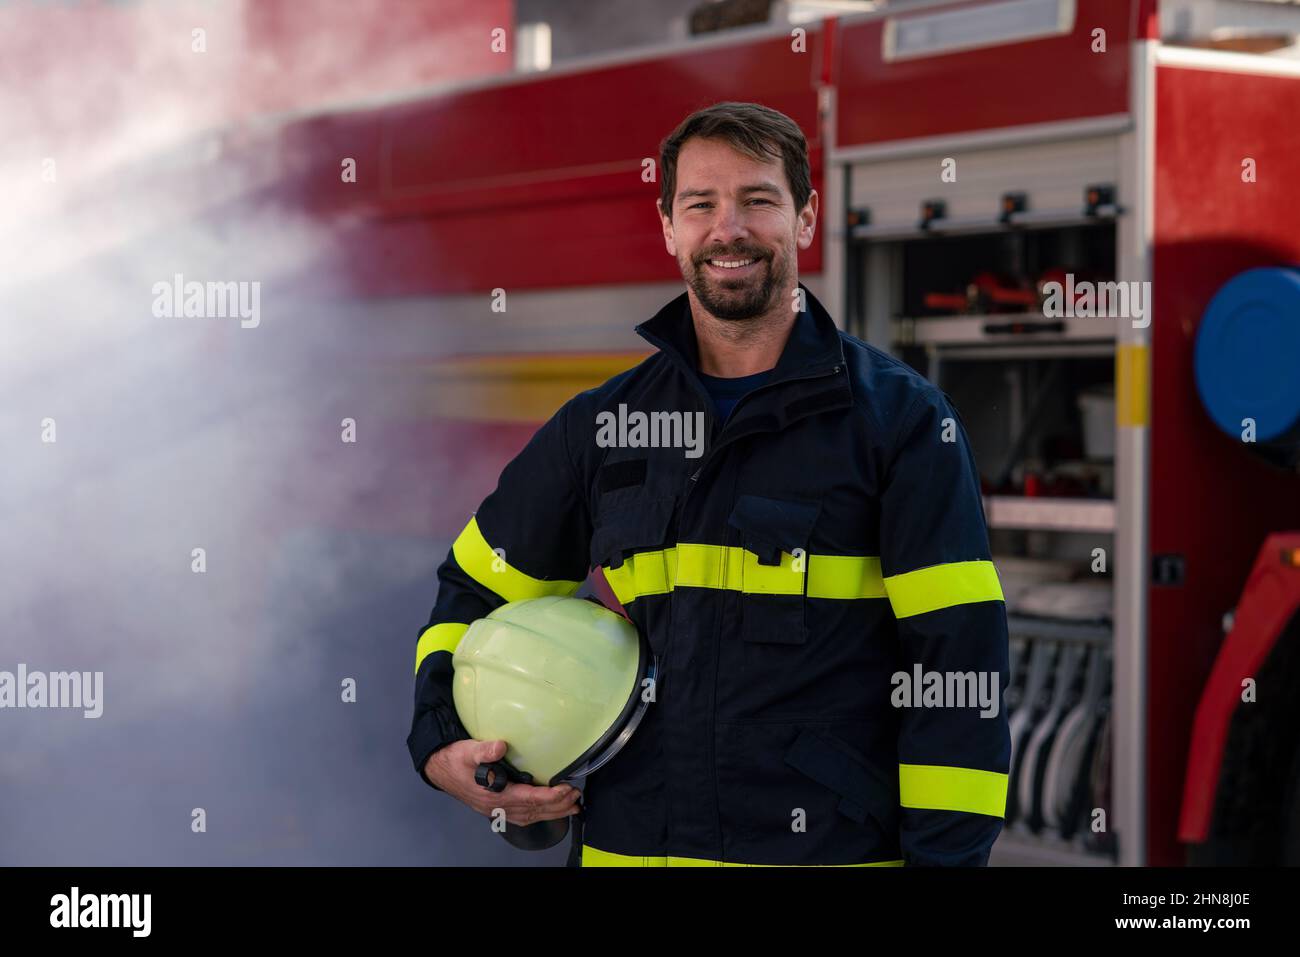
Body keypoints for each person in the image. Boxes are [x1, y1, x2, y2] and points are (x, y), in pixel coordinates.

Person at [408, 101, 1010, 866]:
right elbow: (474, 592)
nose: (729, 229)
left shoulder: (901, 424)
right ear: (668, 227)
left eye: (759, 199)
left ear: (805, 218)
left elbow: (956, 676)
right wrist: (438, 744)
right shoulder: (601, 427)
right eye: (701, 204)